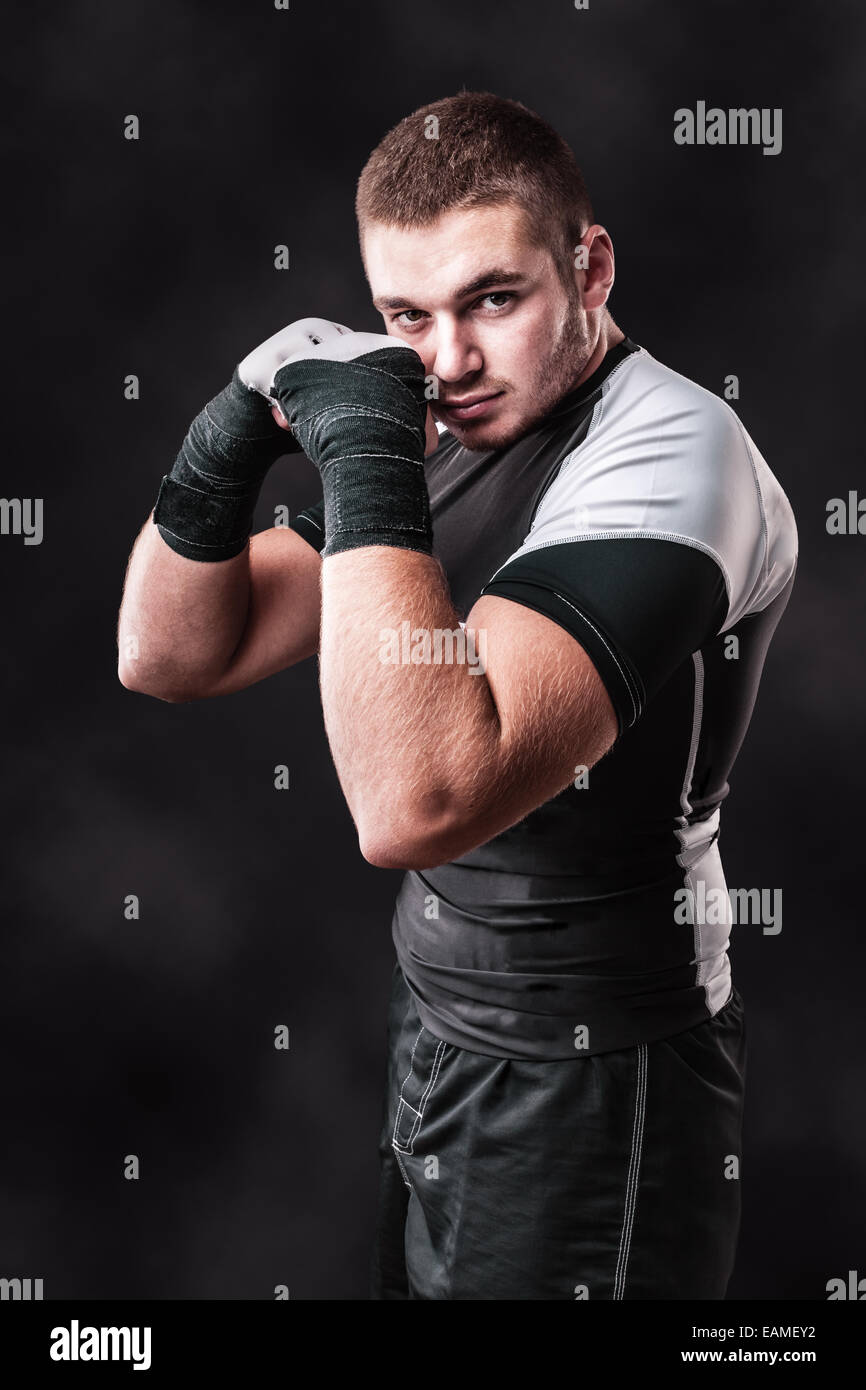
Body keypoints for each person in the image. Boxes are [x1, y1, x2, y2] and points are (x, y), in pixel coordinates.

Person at [117, 91, 798, 1300]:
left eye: (492, 298)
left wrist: (372, 461)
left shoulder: (671, 462)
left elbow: (414, 803)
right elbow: (172, 651)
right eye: (405, 316)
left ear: (585, 267)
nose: (446, 361)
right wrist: (227, 431)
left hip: (595, 1069)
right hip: (442, 1025)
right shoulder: (455, 430)